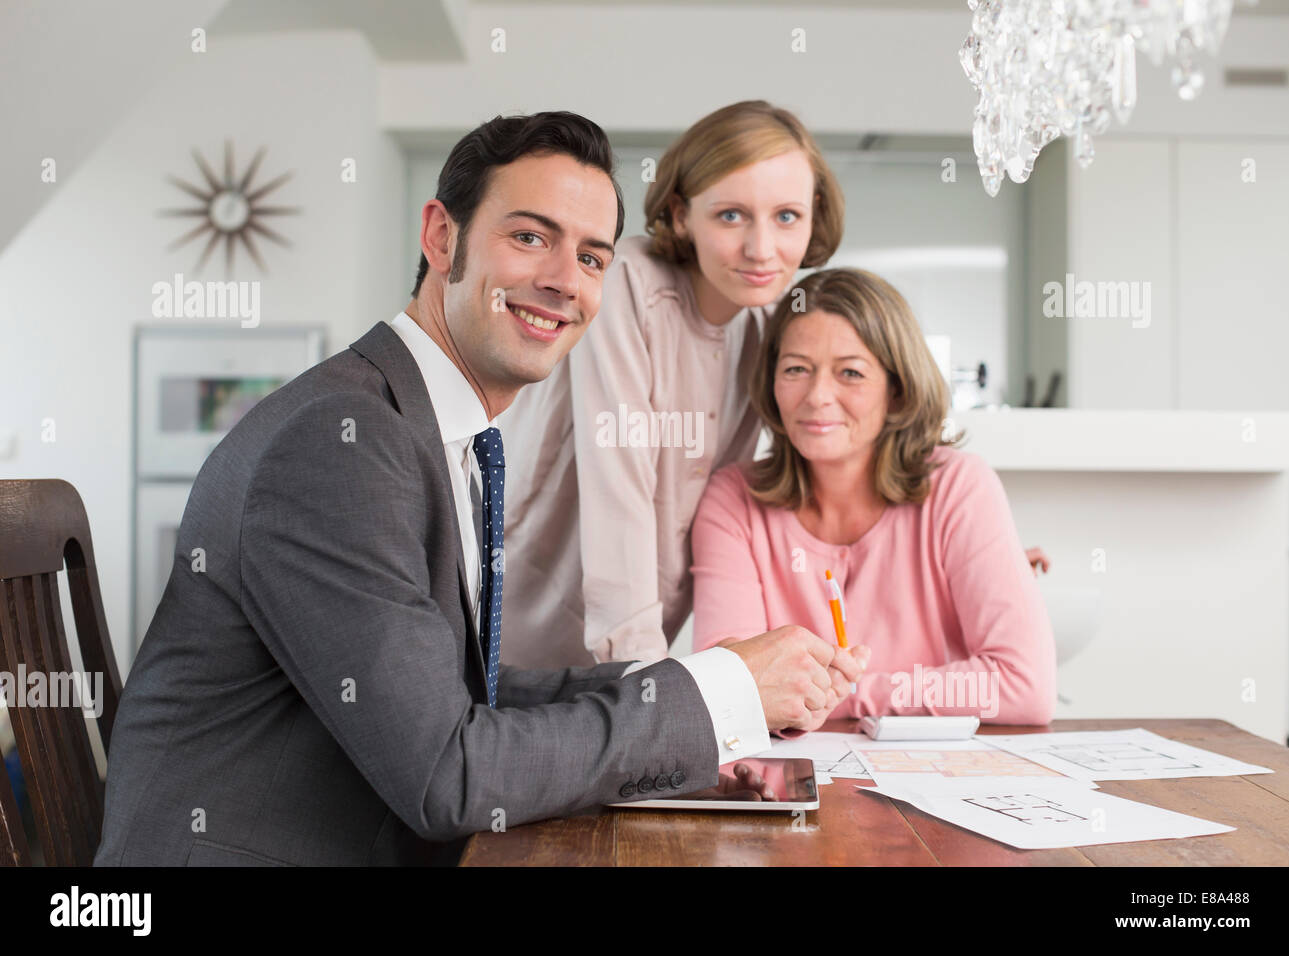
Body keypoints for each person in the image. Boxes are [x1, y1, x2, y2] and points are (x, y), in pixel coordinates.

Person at [94, 112, 868, 867]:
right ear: (441, 236)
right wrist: (716, 695)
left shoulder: (432, 432)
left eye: (594, 258)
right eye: (529, 237)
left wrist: (704, 679)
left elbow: (462, 694)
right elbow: (448, 771)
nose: (565, 281)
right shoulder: (340, 444)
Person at [498, 100, 846, 668]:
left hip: (639, 645)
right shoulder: (627, 284)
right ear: (682, 215)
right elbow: (621, 488)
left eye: (786, 217)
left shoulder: (767, 322)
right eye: (731, 215)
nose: (762, 249)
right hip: (527, 624)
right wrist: (649, 686)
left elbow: (806, 466)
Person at [690, 268, 1056, 725]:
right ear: (771, 383)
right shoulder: (733, 500)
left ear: (897, 390)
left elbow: (1026, 685)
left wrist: (839, 694)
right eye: (797, 369)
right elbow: (723, 688)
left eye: (850, 372)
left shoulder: (959, 487)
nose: (819, 396)